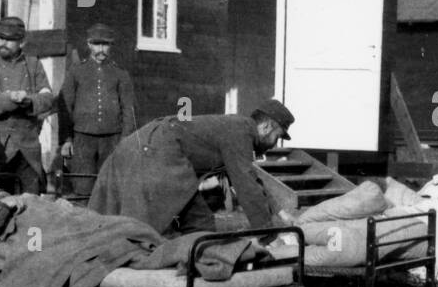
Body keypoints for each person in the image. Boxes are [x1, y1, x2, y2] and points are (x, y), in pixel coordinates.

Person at [88, 101, 295, 235]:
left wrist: (281, 213)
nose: (276, 143)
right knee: (191, 224)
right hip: (158, 152)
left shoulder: (237, 127)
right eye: (278, 136)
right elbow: (246, 184)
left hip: (141, 145)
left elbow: (249, 177)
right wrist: (268, 234)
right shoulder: (241, 133)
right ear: (266, 126)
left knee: (195, 222)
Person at [0, 16, 55, 194]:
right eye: (1, 38)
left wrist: (28, 101)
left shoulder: (33, 65)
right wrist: (11, 98)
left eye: (10, 40)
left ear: (22, 42)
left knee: (31, 204)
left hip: (28, 151)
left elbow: (48, 99)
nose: (3, 43)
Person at [58, 23, 137, 194]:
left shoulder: (121, 74)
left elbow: (128, 109)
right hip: (82, 140)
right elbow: (65, 107)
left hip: (112, 141)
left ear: (111, 46)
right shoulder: (76, 72)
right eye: (96, 44)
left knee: (110, 189)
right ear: (88, 44)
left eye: (105, 44)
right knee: (82, 187)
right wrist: (67, 140)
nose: (101, 49)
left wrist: (125, 140)